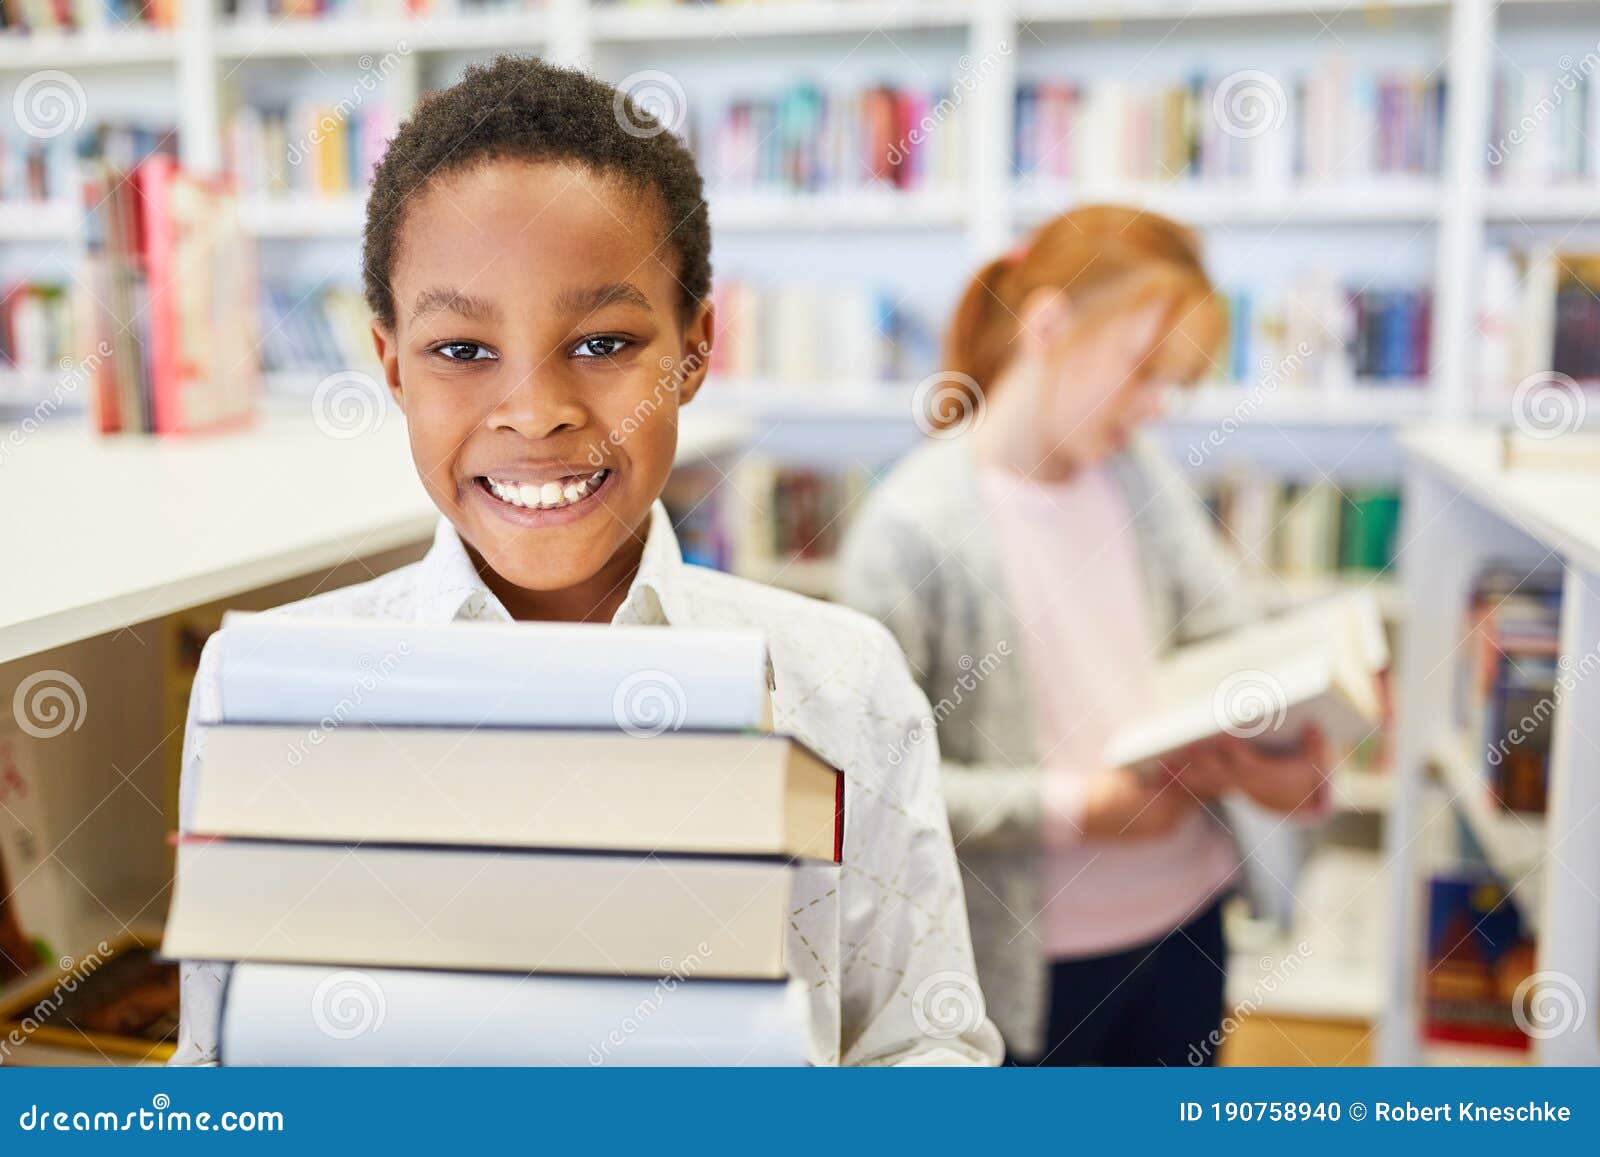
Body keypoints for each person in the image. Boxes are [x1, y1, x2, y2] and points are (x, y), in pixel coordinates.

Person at [168, 56, 1001, 1068]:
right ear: (390, 366)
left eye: (603, 342)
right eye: (463, 350)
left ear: (692, 352)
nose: (534, 409)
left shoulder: (841, 683)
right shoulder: (274, 691)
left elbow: (926, 1042)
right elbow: (219, 1058)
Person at [837, 205, 1327, 1066]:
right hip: (1031, 967)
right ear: (1049, 326)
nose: (1154, 409)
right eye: (1140, 370)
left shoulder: (1140, 477)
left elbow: (1233, 642)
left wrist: (1268, 742)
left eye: (1173, 381)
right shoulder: (911, 529)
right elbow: (871, 794)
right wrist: (1075, 808)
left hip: (1188, 923)